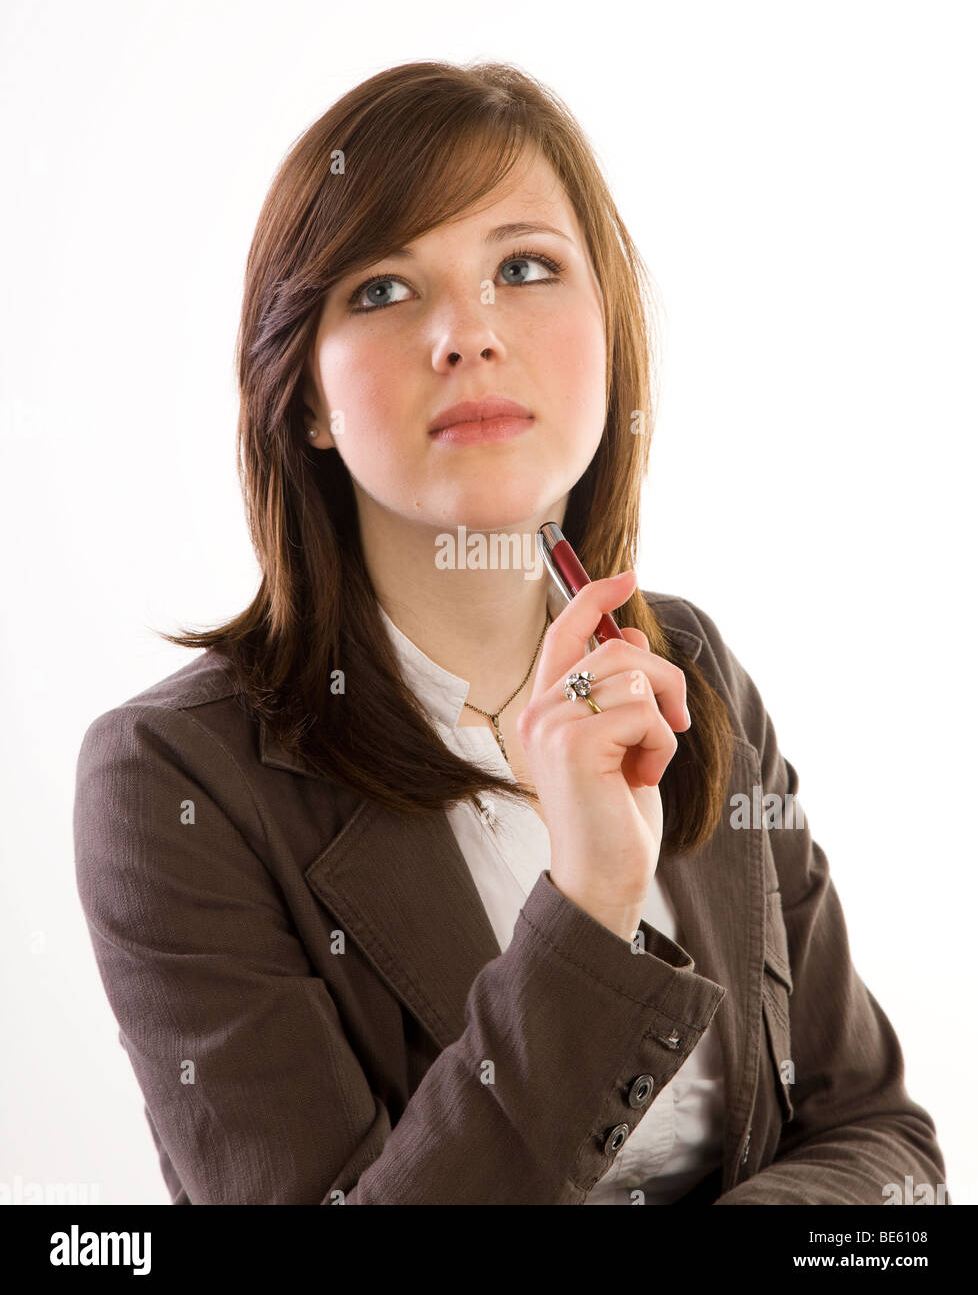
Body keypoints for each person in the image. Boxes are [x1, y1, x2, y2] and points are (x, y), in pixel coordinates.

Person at [73, 59, 947, 1205]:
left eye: (523, 267)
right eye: (384, 289)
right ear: (305, 398)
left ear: (610, 329)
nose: (466, 334)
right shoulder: (171, 779)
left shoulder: (692, 671)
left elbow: (884, 1144)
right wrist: (586, 905)